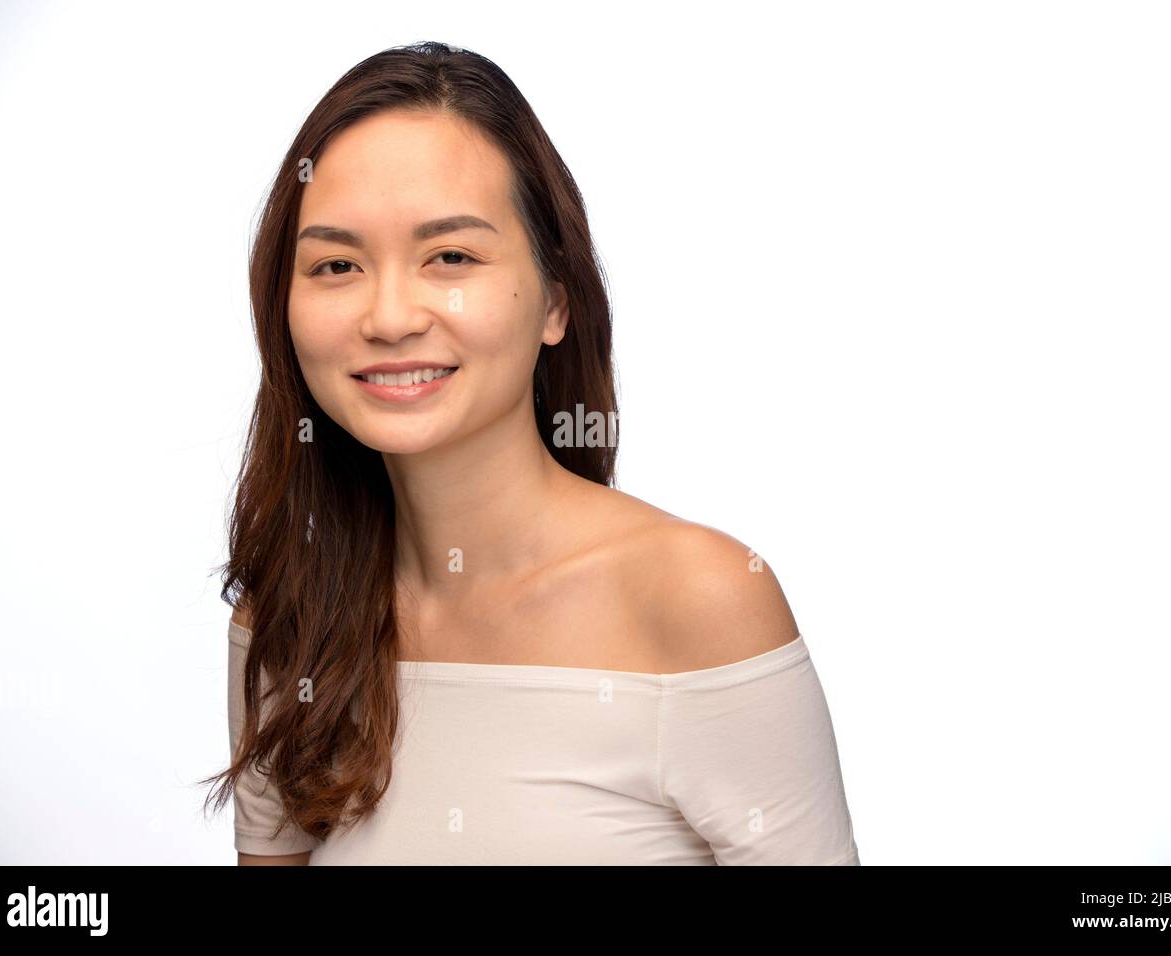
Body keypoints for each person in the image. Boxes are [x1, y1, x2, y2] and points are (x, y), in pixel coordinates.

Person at [200, 40, 860, 866]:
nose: (390, 315)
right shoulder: (292, 619)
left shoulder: (702, 603)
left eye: (450, 257)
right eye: (337, 264)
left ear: (554, 299)